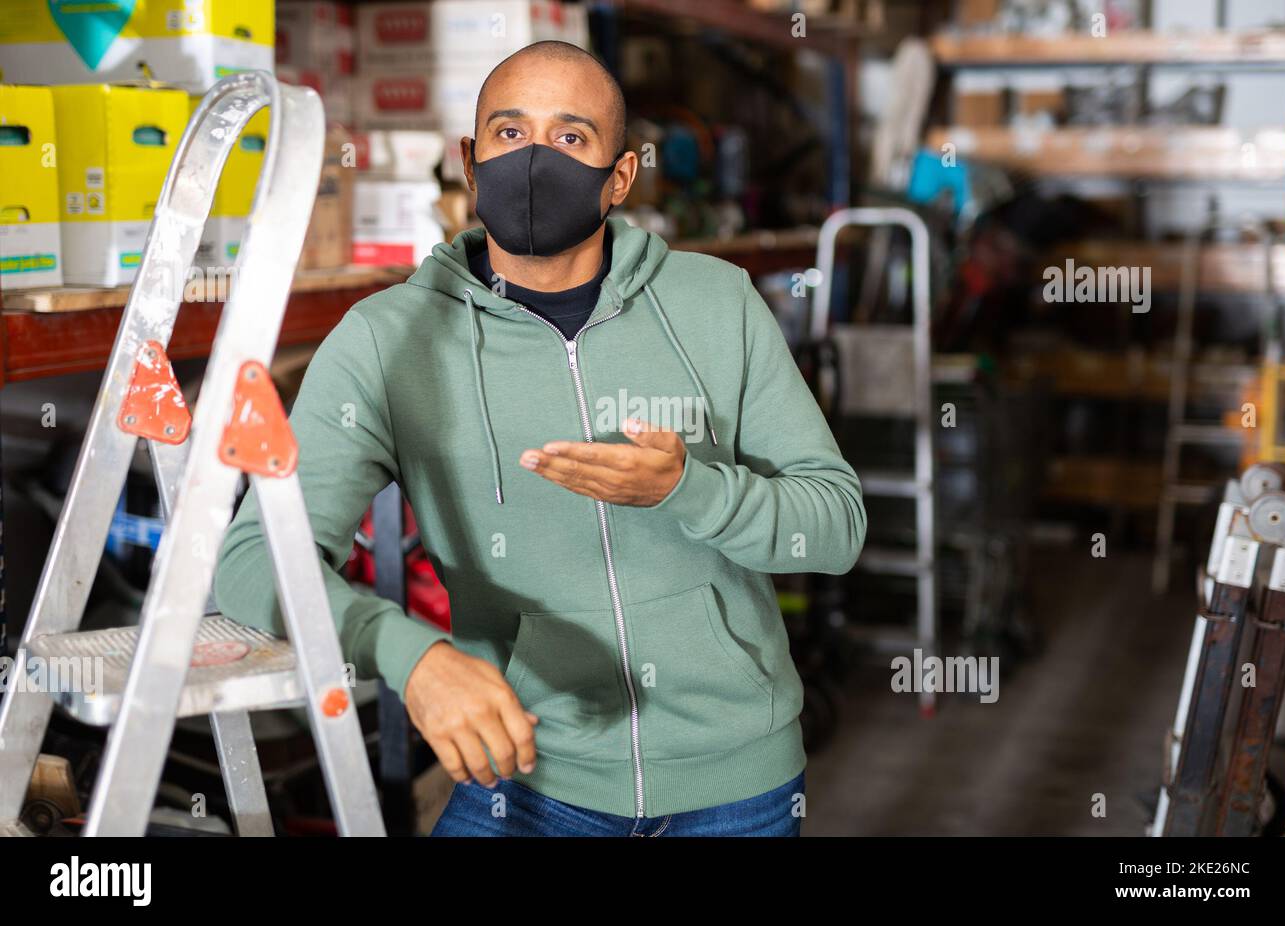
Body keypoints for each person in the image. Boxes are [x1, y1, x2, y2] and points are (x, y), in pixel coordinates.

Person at [214, 40, 866, 837]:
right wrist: (410, 657)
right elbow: (252, 566)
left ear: (619, 176)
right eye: (510, 132)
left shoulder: (717, 304)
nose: (533, 159)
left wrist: (685, 488)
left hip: (735, 788)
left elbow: (835, 527)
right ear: (469, 158)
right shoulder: (386, 341)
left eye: (570, 138)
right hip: (520, 781)